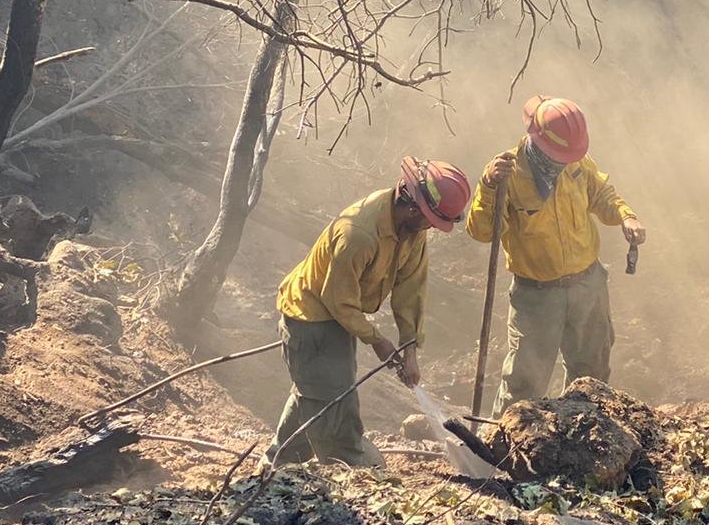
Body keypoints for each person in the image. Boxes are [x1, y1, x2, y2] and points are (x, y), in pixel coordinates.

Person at [270, 157, 471, 466]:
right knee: (334, 401)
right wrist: (377, 340)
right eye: (432, 219)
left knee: (316, 388)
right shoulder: (358, 234)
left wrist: (410, 348)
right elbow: (339, 300)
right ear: (414, 208)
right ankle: (350, 463)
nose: (432, 227)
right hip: (311, 316)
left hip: (339, 313)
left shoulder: (412, 230)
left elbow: (411, 289)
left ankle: (278, 463)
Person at [468, 96, 645, 415]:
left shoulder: (575, 162)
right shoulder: (508, 173)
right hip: (537, 297)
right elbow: (482, 232)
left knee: (592, 378)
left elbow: (601, 193)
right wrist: (490, 186)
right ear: (537, 140)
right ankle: (500, 451)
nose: (563, 163)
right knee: (524, 386)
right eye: (558, 157)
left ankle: (581, 442)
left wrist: (625, 216)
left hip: (588, 286)